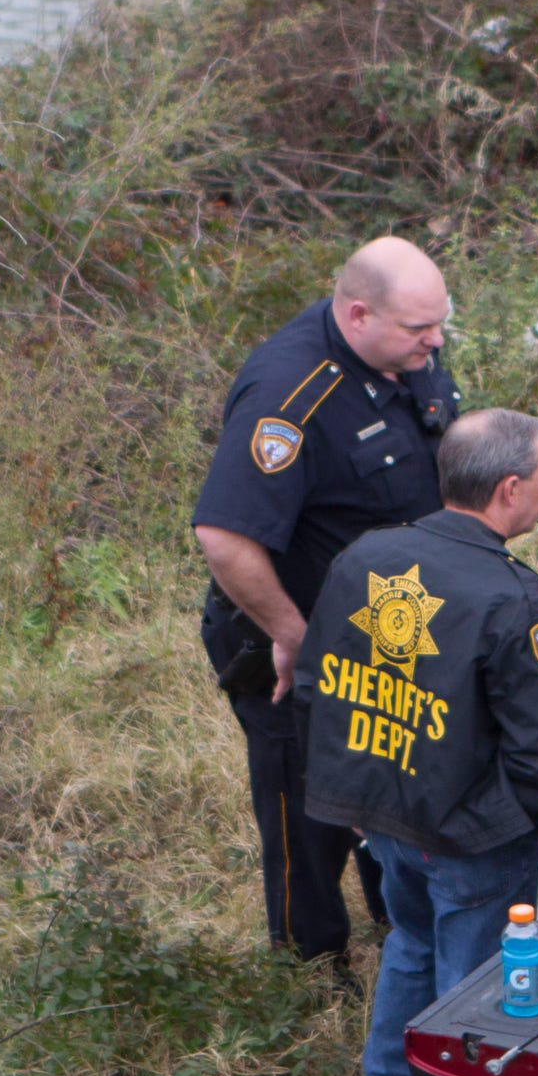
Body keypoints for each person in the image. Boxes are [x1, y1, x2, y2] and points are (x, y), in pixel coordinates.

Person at [301, 409, 538, 1076]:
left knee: (410, 949)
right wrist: (490, 829)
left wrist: (360, 799)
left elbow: (316, 687)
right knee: (475, 991)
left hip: (384, 819)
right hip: (468, 838)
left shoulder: (365, 556)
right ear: (507, 489)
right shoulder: (515, 597)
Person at [192, 238, 463, 960]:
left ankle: (395, 924)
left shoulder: (406, 352)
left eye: (440, 324)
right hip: (298, 638)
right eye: (418, 329)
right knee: (308, 810)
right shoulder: (290, 395)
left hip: (391, 630)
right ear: (357, 313)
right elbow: (224, 536)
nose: (435, 342)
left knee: (392, 778)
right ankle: (310, 962)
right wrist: (295, 636)